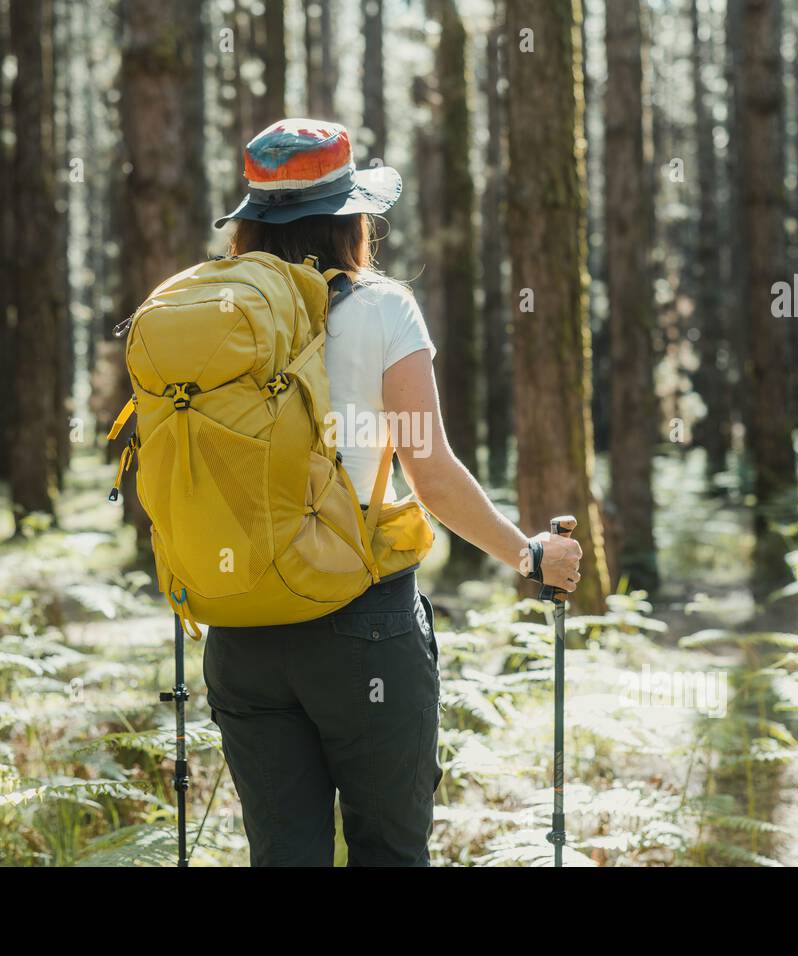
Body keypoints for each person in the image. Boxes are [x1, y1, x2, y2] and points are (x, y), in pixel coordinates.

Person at [203, 119, 583, 866]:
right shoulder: (380, 308)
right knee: (389, 854)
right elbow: (430, 473)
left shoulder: (214, 313)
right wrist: (528, 555)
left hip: (240, 620)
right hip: (360, 623)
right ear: (350, 220)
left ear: (250, 222)